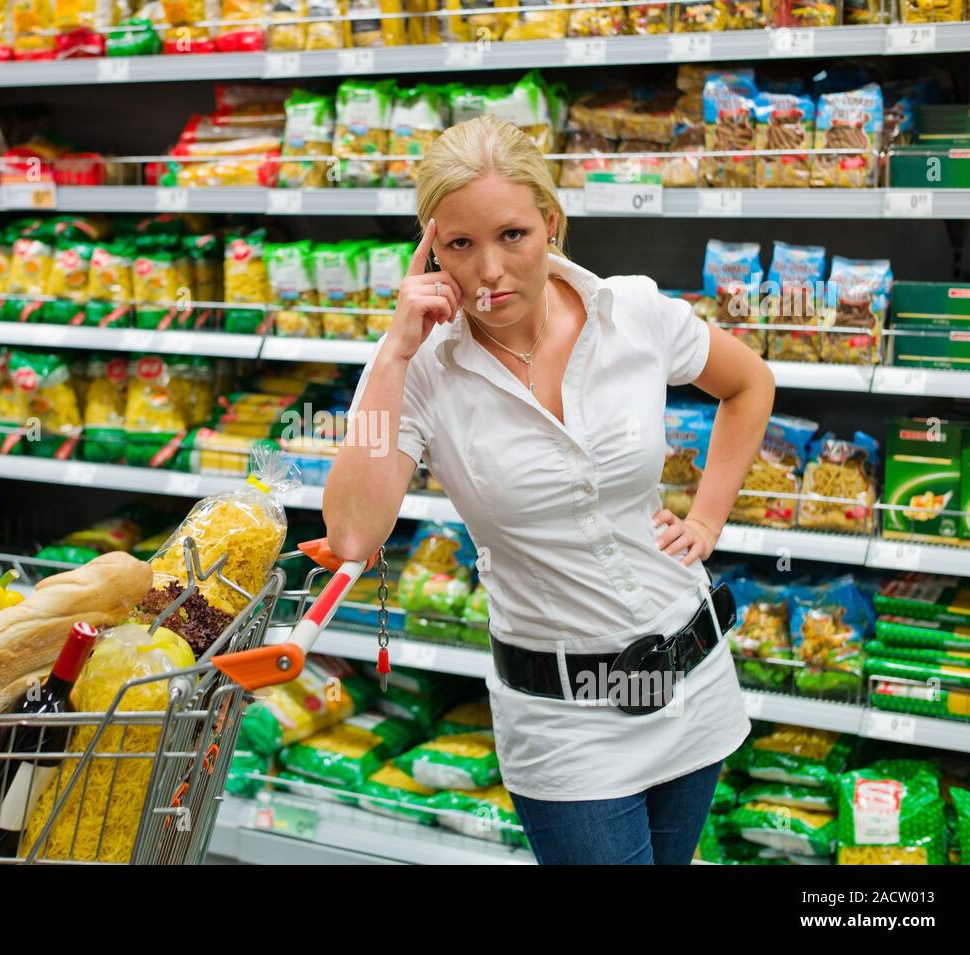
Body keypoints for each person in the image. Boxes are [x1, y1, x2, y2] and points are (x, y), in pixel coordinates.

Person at [324, 114, 776, 865]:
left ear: (551, 224)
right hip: (566, 720)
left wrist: (707, 517)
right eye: (459, 245)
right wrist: (395, 356)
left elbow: (749, 382)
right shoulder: (421, 367)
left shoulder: (630, 310)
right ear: (431, 250)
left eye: (512, 236)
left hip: (691, 675)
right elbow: (351, 534)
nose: (489, 271)